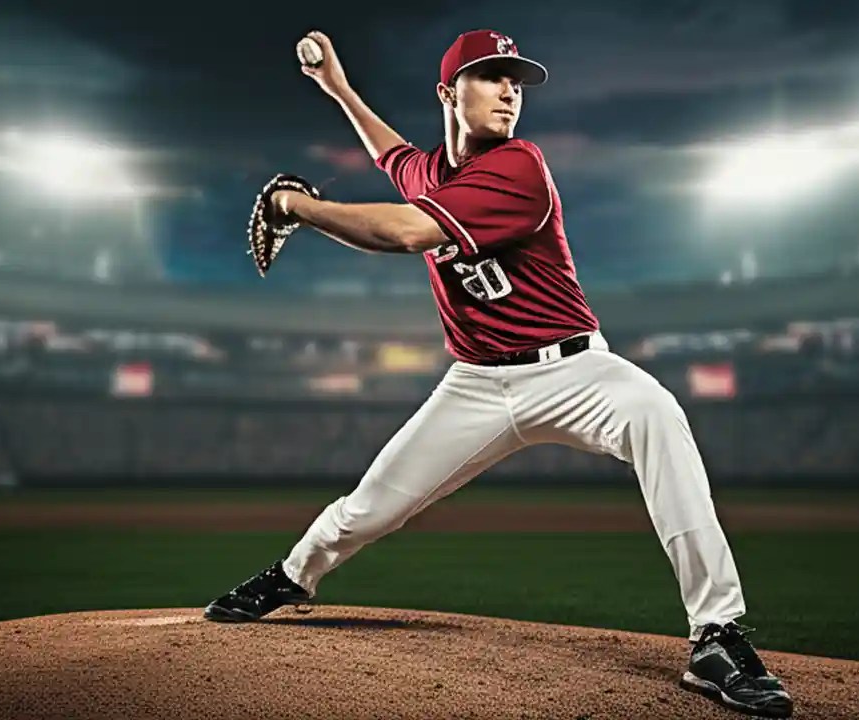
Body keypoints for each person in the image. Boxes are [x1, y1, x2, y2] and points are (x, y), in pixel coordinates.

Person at [204, 29, 793, 718]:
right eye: (491, 76)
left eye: (516, 79)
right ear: (449, 93)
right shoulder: (434, 173)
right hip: (477, 383)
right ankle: (293, 578)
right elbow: (393, 156)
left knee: (657, 413)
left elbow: (406, 233)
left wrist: (293, 206)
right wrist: (336, 86)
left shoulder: (520, 167)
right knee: (372, 504)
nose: (511, 89)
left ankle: (716, 633)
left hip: (574, 370)